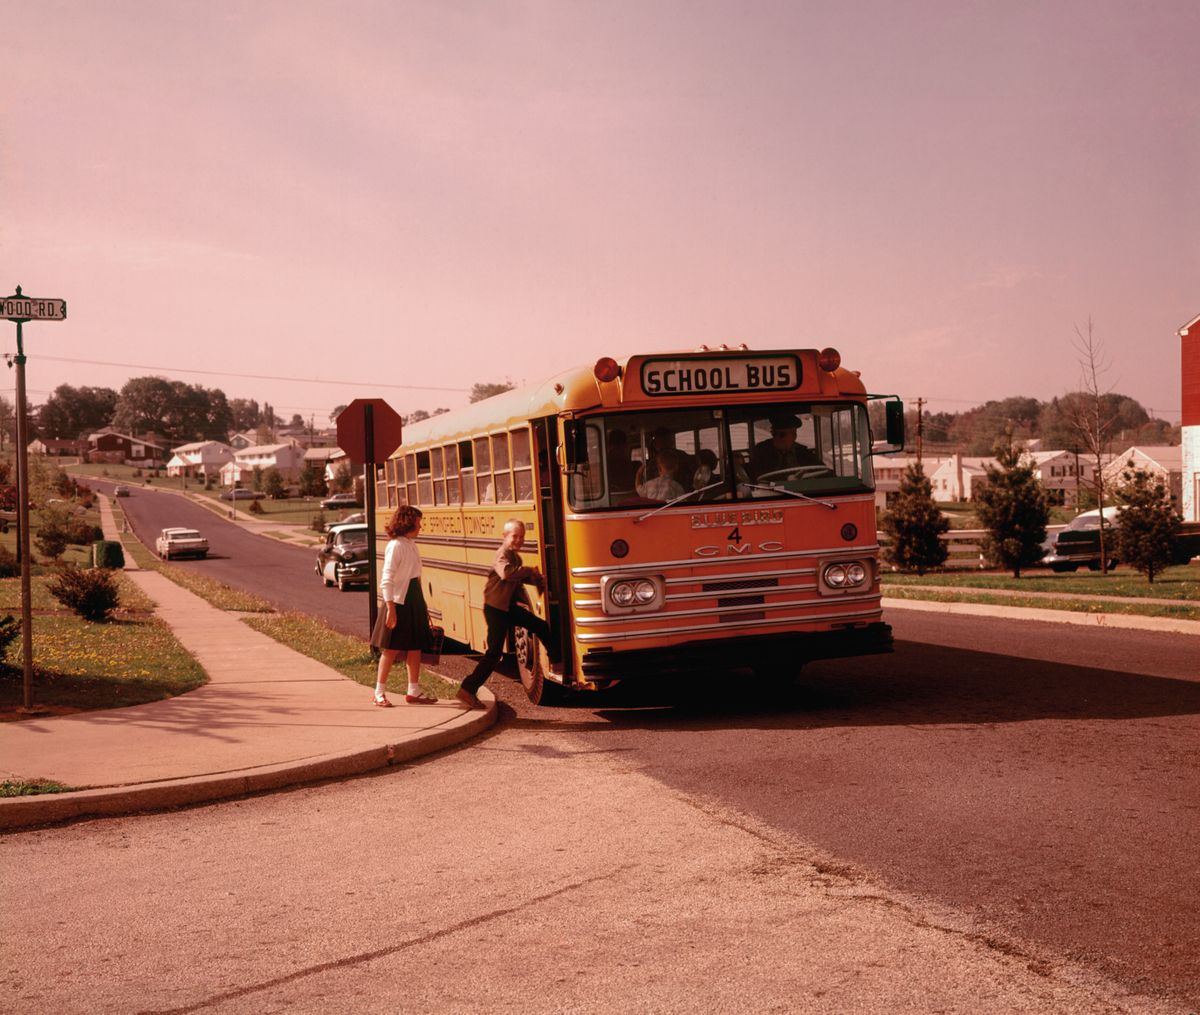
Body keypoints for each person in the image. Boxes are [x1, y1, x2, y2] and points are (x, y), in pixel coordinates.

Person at [457, 519, 560, 708]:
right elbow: (506, 573)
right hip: (496, 609)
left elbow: (516, 580)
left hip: (507, 607)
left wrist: (536, 579)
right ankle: (467, 689)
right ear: (504, 537)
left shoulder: (515, 557)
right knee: (494, 654)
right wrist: (529, 571)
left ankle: (557, 662)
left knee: (540, 626)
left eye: (522, 537)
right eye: (514, 536)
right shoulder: (502, 554)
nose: (518, 540)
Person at [370, 505, 437, 707]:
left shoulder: (410, 544)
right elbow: (386, 578)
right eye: (418, 522)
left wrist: (422, 604)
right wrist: (391, 608)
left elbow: (414, 577)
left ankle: (413, 691)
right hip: (398, 601)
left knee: (414, 646)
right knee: (391, 648)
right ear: (407, 522)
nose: (420, 526)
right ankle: (379, 693)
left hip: (413, 598)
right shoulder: (396, 545)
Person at [748, 414, 823, 479]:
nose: (776, 438)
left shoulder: (803, 453)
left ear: (794, 436)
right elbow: (756, 476)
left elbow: (823, 471)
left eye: (782, 435)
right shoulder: (763, 451)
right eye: (774, 434)